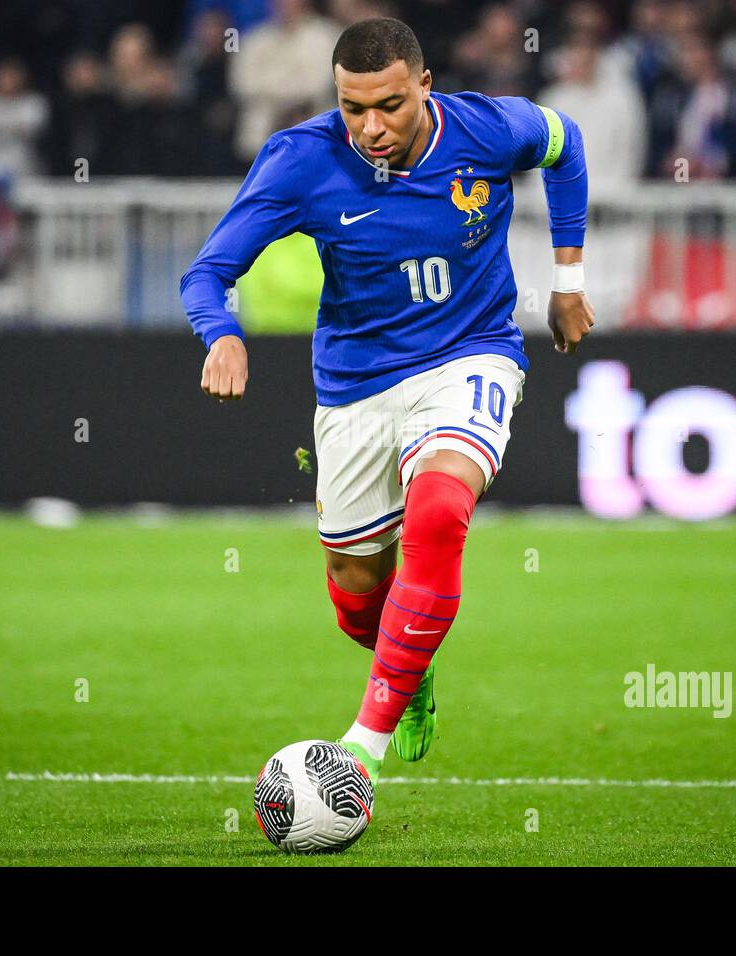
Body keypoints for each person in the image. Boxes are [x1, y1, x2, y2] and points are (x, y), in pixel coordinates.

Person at [180, 17, 592, 783]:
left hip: (471, 355)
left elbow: (565, 144)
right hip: (356, 387)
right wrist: (222, 335)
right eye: (352, 108)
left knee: (438, 510)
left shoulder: (486, 128)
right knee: (355, 592)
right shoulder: (300, 161)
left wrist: (567, 282)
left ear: (424, 86)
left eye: (390, 105)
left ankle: (360, 752)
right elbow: (208, 272)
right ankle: (411, 669)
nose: (370, 127)